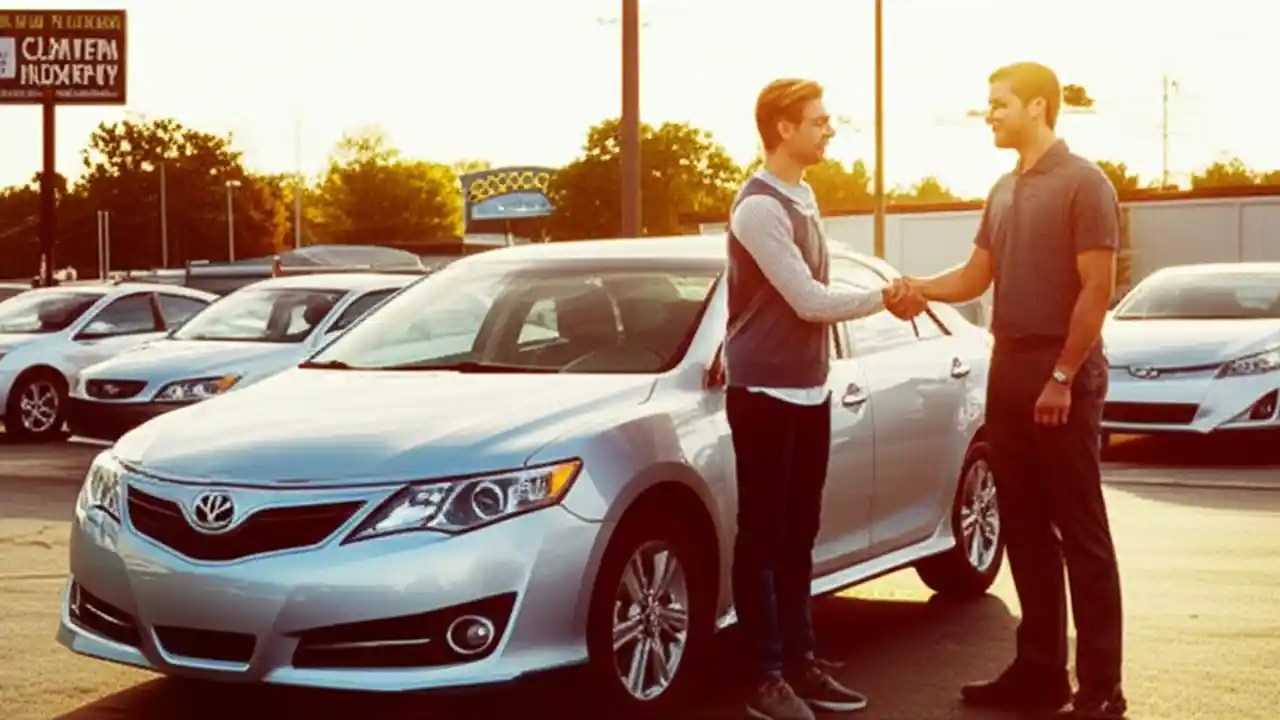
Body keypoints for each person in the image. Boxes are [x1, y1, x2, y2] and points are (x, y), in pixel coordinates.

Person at [886, 61, 1126, 720]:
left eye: (999, 104)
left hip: (1061, 372)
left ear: (1039, 107)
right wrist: (917, 291)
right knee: (1022, 529)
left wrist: (1062, 377)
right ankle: (1040, 672)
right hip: (1008, 370)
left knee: (1081, 534)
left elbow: (1096, 290)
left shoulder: (1086, 184)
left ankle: (1102, 689)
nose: (988, 114)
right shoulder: (1001, 189)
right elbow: (974, 276)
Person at [724, 77, 924, 720]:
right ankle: (765, 677)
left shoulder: (803, 195)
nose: (829, 128)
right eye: (818, 120)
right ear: (782, 128)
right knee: (761, 536)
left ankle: (802, 662)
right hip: (763, 392)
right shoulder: (758, 207)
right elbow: (807, 299)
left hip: (808, 388)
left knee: (798, 533)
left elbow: (772, 297)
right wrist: (887, 297)